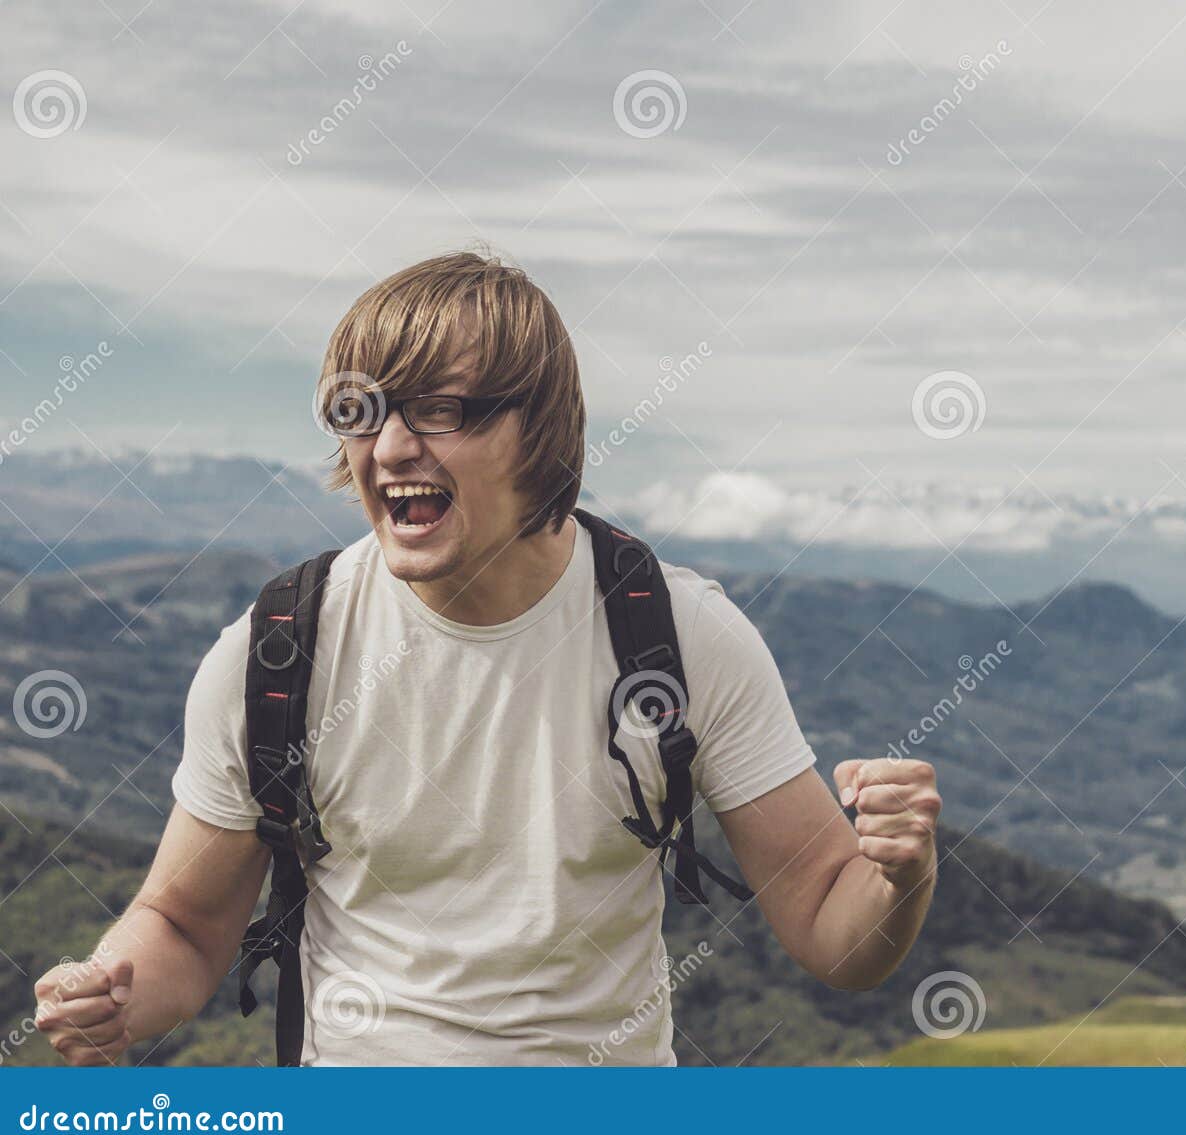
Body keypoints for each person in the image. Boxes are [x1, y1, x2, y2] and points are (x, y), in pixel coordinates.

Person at [31, 250, 940, 1066]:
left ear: (540, 433)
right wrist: (111, 988)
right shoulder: (277, 652)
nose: (389, 448)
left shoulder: (678, 636)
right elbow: (183, 930)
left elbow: (834, 930)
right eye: (362, 410)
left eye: (439, 410)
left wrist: (901, 875)